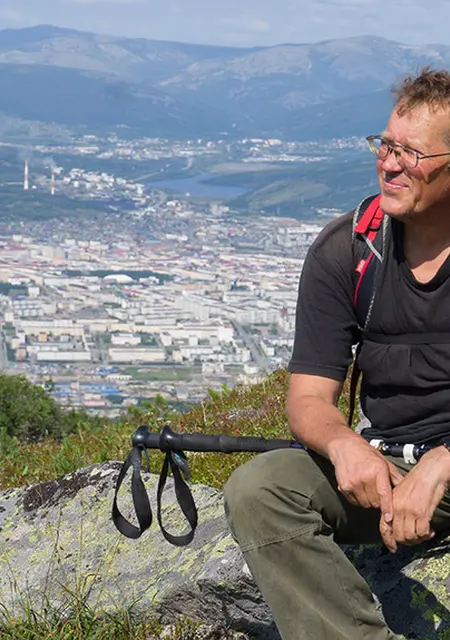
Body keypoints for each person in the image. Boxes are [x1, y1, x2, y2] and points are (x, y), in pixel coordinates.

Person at [223, 67, 450, 640]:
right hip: (390, 466)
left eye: (411, 153)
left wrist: (443, 463)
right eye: (386, 145)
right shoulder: (349, 249)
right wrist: (345, 446)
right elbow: (308, 399)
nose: (390, 164)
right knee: (260, 490)